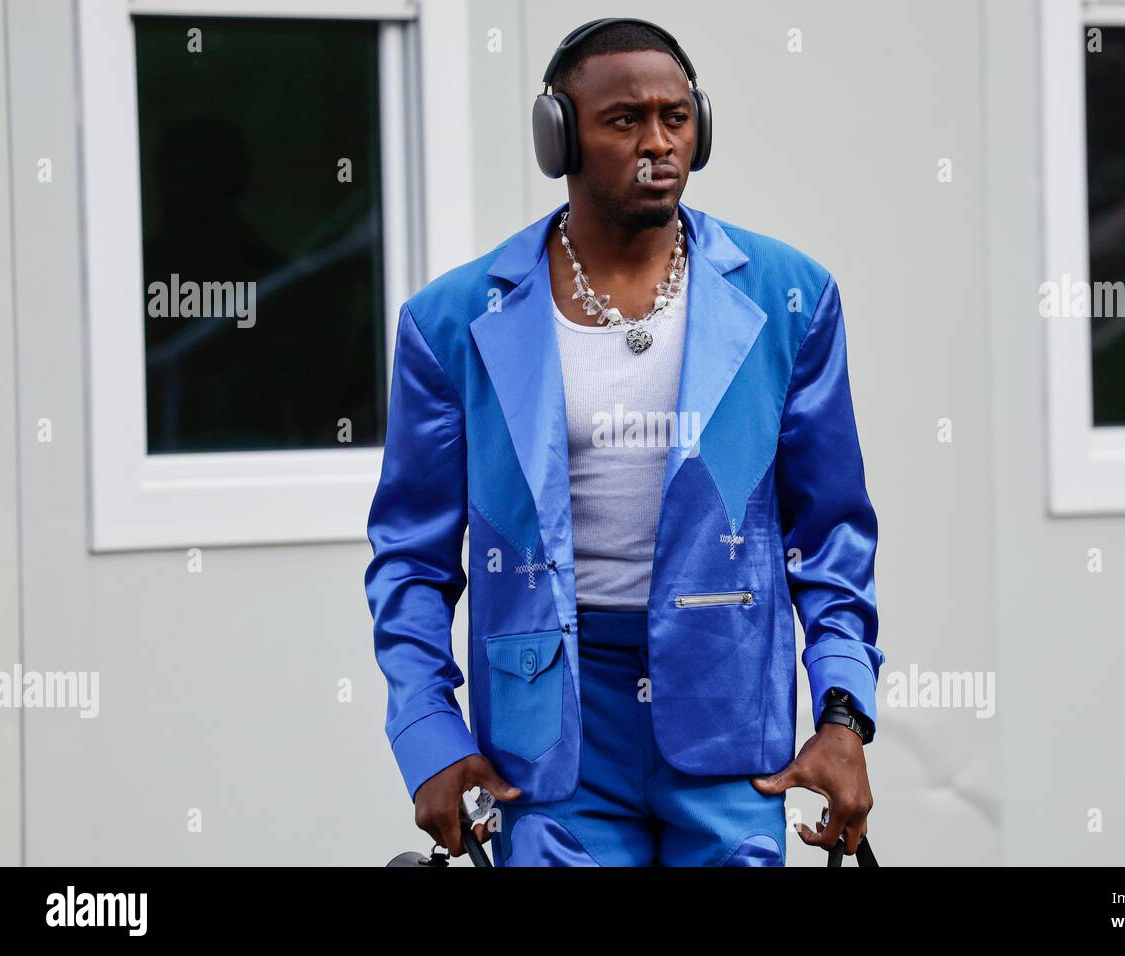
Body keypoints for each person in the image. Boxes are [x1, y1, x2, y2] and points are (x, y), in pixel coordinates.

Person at [365, 18, 884, 867]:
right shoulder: (452, 321)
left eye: (676, 118)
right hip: (549, 740)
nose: (657, 144)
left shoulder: (793, 298)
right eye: (624, 121)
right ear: (558, 136)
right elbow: (411, 560)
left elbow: (831, 535)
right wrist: (427, 730)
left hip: (731, 725)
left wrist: (842, 713)